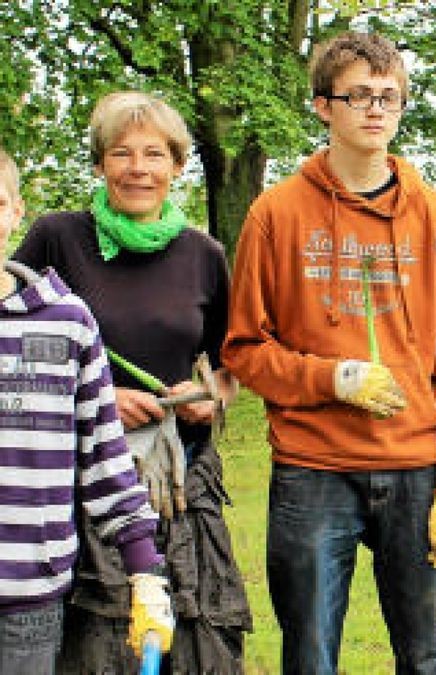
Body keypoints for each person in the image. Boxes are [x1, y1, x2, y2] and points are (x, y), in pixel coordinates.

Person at [222, 31, 436, 674]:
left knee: (427, 658)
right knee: (310, 658)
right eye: (359, 95)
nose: (376, 109)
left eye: (389, 96)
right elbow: (243, 349)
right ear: (322, 106)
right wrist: (332, 378)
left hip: (416, 469)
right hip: (313, 469)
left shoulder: (432, 215)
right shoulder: (275, 214)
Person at [11, 92, 248, 673]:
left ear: (177, 166)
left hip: (180, 481)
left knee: (194, 643)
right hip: (86, 482)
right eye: (121, 153)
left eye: (154, 154)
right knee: (99, 647)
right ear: (99, 164)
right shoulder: (56, 238)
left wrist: (210, 400)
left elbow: (229, 365)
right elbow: (11, 340)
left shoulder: (204, 254)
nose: (138, 168)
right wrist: (99, 399)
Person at [0, 148, 173, 671]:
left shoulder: (67, 321)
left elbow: (105, 459)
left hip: (28, 603)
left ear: (16, 212)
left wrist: (145, 575)